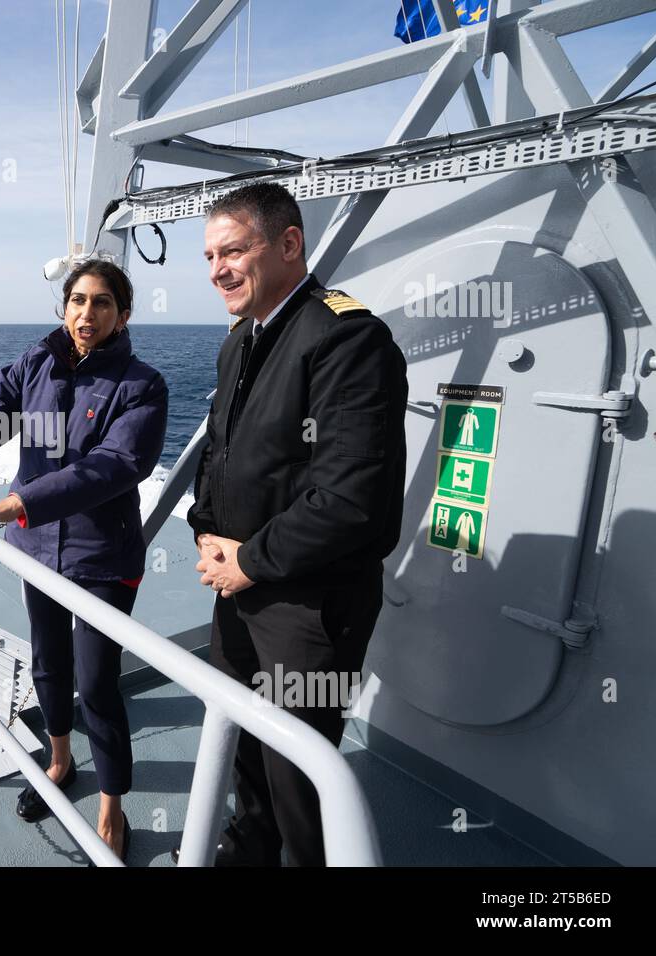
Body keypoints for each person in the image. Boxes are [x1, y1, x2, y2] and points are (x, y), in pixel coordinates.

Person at [185, 182, 407, 866]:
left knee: (300, 771)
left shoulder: (347, 339)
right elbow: (220, 456)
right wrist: (205, 530)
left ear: (288, 244)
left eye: (234, 250)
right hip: (240, 590)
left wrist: (246, 559)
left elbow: (352, 500)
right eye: (210, 255)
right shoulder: (240, 343)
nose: (219, 267)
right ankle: (249, 848)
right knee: (246, 745)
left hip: (309, 606)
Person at [0, 260, 168, 861]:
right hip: (38, 554)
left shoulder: (142, 386)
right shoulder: (36, 362)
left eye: (102, 303)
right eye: (78, 301)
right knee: (49, 665)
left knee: (98, 683)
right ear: (64, 308)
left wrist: (15, 504)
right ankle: (58, 762)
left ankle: (112, 807)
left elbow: (113, 468)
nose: (87, 314)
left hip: (101, 557)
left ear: (123, 315)